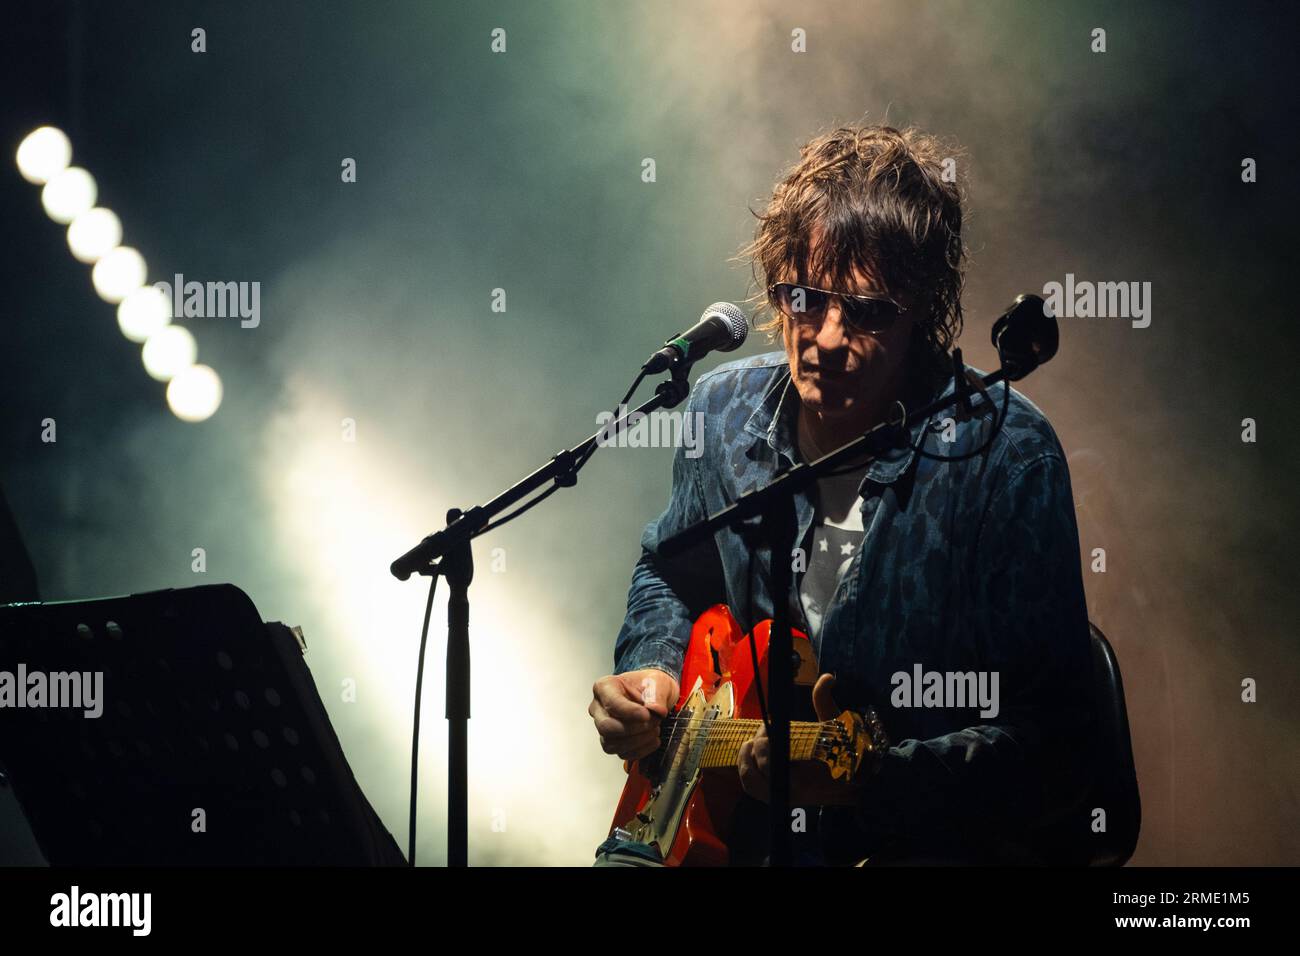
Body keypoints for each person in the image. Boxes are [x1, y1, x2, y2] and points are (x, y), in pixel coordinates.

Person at [589, 124, 1094, 865]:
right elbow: (669, 570)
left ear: (923, 308)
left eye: (867, 310)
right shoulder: (721, 413)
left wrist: (874, 780)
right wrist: (654, 670)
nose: (826, 336)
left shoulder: (1007, 456)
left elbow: (1054, 741)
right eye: (805, 298)